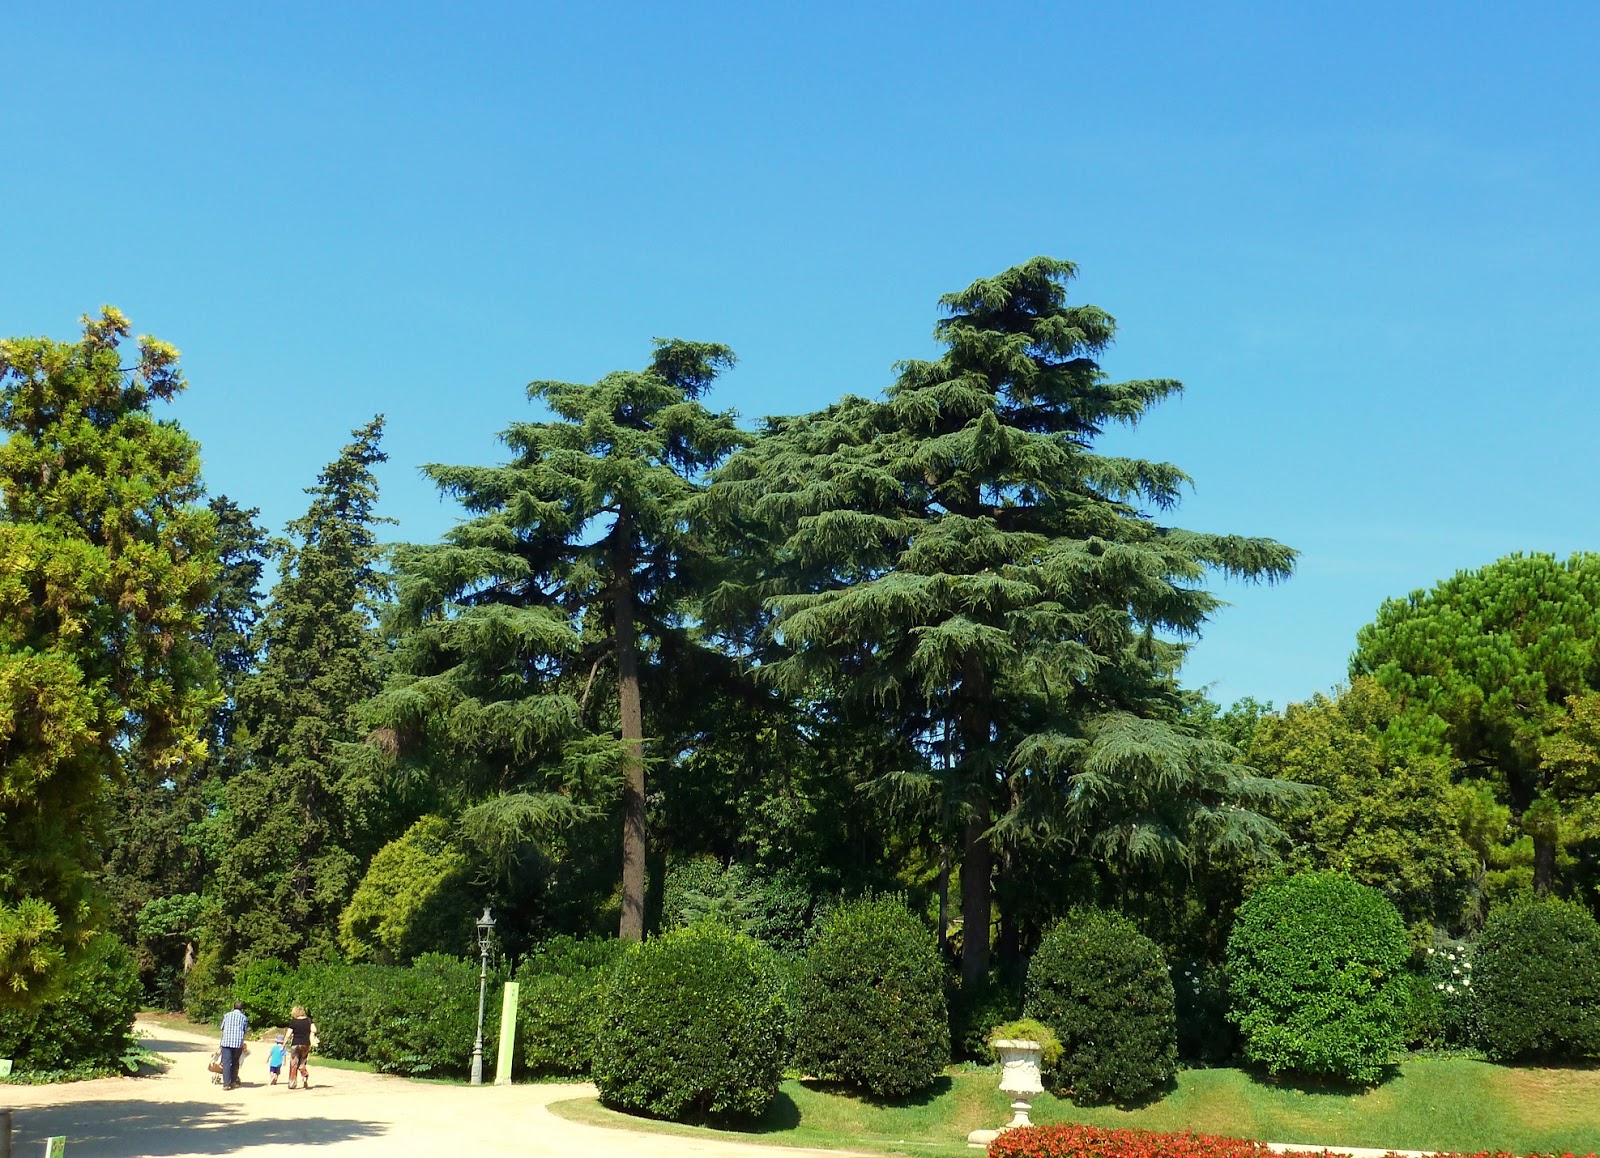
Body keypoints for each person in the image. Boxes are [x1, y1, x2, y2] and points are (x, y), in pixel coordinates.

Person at [285, 1004, 317, 1089]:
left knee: (294, 1064)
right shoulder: (309, 1020)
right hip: (306, 1044)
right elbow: (314, 1030)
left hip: (295, 1044)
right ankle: (304, 1075)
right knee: (302, 1062)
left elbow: (288, 1035)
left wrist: (283, 1044)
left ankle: (292, 1083)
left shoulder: (294, 1022)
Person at [219, 1002, 249, 1090]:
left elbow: (222, 1028)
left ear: (233, 1007)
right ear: (242, 1009)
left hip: (226, 1042)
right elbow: (245, 1030)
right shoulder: (244, 1017)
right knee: (235, 1062)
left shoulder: (227, 1015)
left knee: (226, 1062)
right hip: (237, 1043)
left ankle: (226, 1084)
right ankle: (233, 1082)